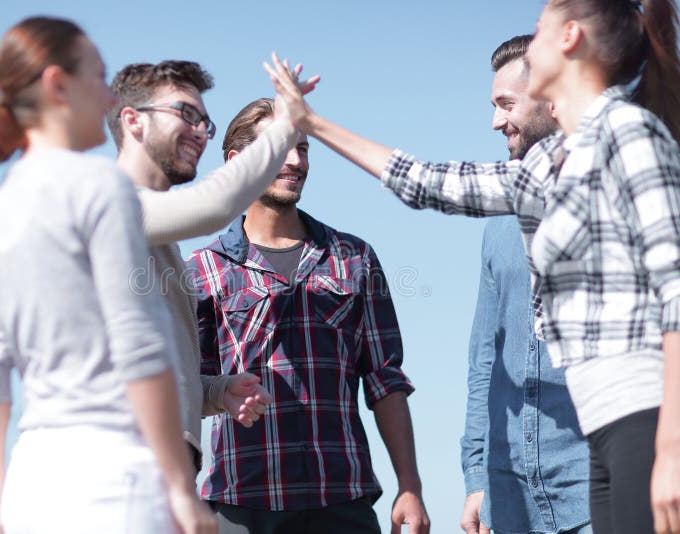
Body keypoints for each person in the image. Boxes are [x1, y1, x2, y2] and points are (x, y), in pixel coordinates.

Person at [265, 0, 680, 530]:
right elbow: (430, 182)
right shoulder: (551, 164)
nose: (531, 44)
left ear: (570, 37)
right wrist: (313, 124)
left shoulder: (629, 131)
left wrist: (671, 443)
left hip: (646, 415)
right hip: (605, 426)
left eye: (538, 30)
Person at [0, 17, 215, 534]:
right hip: (118, 477)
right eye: (97, 76)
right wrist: (178, 486)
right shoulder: (101, 186)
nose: (105, 97)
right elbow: (138, 343)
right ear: (58, 84)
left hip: (31, 484)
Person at [185, 97, 430, 534]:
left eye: (303, 148)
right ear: (237, 161)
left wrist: (409, 485)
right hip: (239, 506)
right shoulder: (203, 271)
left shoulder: (354, 257)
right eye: (282, 148)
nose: (296, 161)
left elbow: (385, 378)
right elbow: (186, 392)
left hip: (341, 503)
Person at [106, 60, 318, 472]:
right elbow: (216, 205)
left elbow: (154, 368)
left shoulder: (157, 234)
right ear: (132, 121)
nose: (201, 131)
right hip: (123, 463)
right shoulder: (113, 205)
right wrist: (284, 123)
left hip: (161, 464)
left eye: (205, 120)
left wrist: (218, 392)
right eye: (186, 114)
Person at [460, 35, 590, 534]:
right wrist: (477, 475)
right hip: (511, 494)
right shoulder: (498, 219)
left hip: (595, 483)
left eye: (506, 104)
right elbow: (484, 359)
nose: (496, 122)